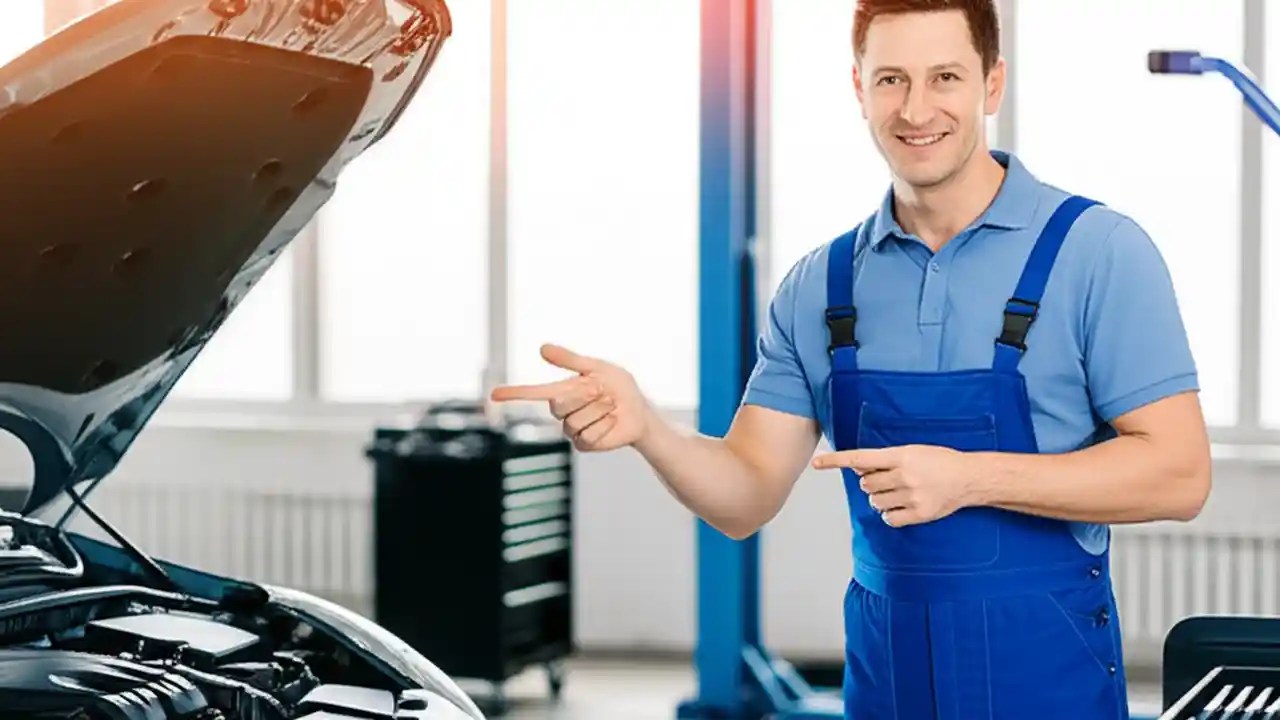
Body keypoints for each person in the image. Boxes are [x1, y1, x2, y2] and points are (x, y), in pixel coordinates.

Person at [491, 0, 1212, 717]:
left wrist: (968, 479)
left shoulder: (1097, 253)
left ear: (992, 84)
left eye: (945, 77)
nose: (916, 109)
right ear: (859, 88)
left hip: (1047, 683)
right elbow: (745, 496)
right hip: (886, 685)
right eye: (892, 79)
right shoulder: (822, 286)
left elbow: (1180, 475)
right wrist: (648, 427)